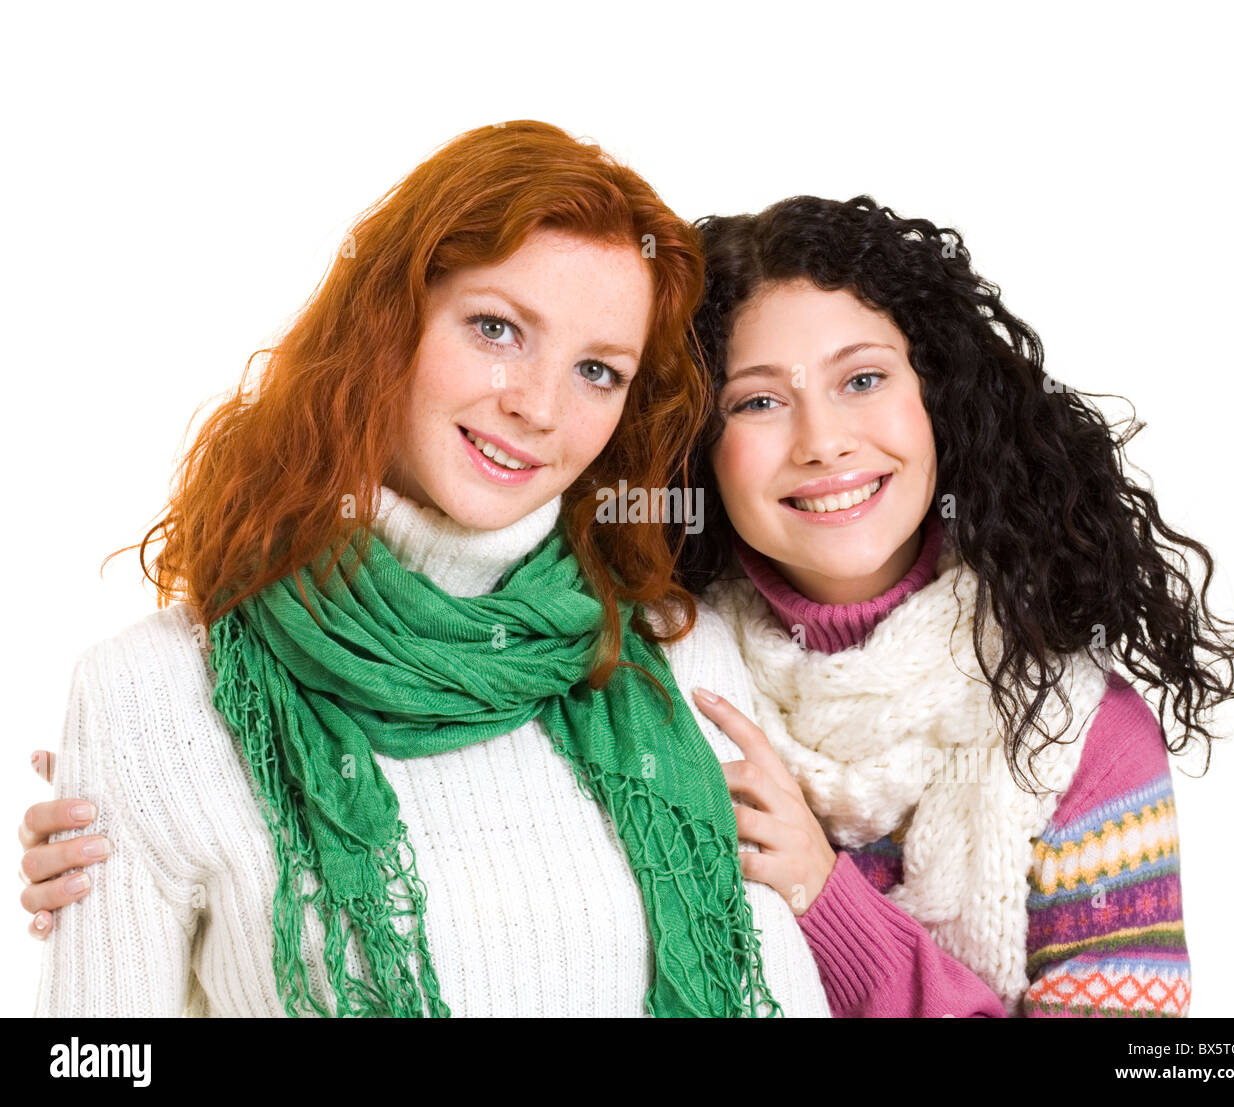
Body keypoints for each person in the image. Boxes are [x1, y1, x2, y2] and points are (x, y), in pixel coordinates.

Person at [18, 120, 834, 1017]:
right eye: (496, 328)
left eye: (597, 370)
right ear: (390, 320)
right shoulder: (149, 692)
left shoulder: (678, 658)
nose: (536, 406)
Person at [673, 194, 1234, 1016]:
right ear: (699, 441)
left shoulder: (1080, 736)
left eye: (864, 379)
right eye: (758, 400)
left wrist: (822, 894)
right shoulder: (652, 679)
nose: (823, 440)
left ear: (939, 402)